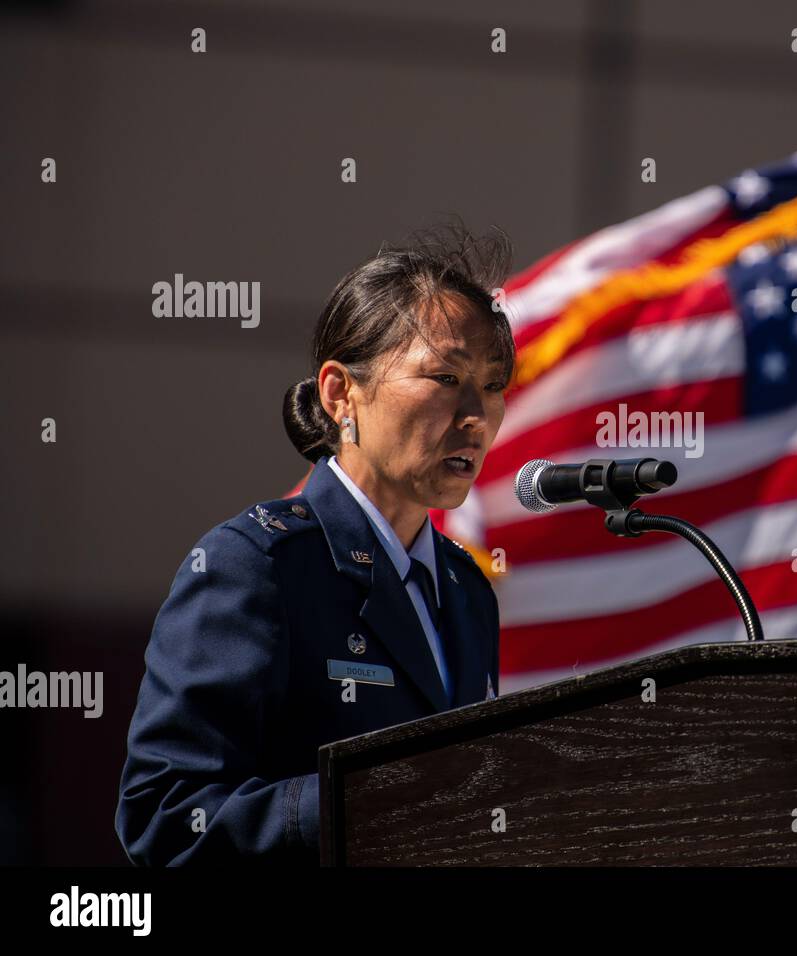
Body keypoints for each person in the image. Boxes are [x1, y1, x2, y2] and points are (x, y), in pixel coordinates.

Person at [116, 225, 514, 864]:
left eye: (494, 385)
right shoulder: (253, 566)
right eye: (444, 376)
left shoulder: (469, 590)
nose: (477, 413)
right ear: (340, 394)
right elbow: (164, 818)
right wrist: (370, 801)